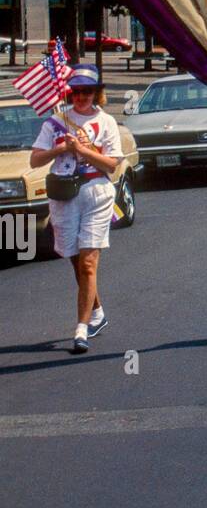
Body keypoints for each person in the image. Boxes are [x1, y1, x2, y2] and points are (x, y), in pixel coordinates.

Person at [29, 66, 124, 354]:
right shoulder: (56, 122)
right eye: (76, 92)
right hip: (64, 193)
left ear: (97, 93)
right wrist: (60, 149)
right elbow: (35, 161)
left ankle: (81, 330)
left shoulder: (106, 122)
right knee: (73, 257)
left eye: (87, 91)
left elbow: (111, 165)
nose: (81, 97)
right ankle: (97, 312)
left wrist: (83, 150)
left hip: (96, 192)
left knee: (87, 262)